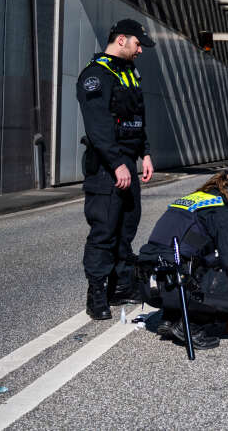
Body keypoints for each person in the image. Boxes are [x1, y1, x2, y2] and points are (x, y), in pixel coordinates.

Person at [77, 18, 155, 320]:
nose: (140, 51)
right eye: (138, 44)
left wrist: (144, 154)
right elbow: (98, 127)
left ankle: (121, 285)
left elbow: (137, 116)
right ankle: (96, 293)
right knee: (104, 230)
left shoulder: (129, 73)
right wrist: (117, 163)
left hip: (127, 162)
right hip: (107, 168)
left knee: (126, 227)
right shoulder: (96, 75)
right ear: (121, 40)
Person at [139, 170, 228, 350]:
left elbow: (197, 250)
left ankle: (171, 317)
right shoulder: (225, 212)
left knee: (200, 265)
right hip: (177, 286)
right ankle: (191, 325)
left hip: (148, 285)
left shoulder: (195, 199)